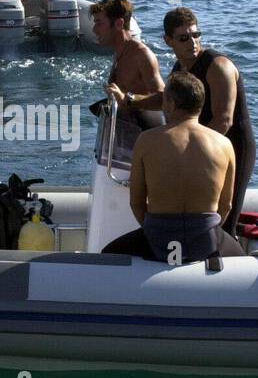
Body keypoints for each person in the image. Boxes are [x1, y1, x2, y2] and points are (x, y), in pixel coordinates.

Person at [107, 7, 256, 238]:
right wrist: (130, 99)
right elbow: (167, 100)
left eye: (196, 35)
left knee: (224, 220)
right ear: (168, 41)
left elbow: (224, 120)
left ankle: (228, 256)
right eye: (184, 38)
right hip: (201, 144)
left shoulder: (218, 66)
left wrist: (192, 154)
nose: (193, 43)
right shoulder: (180, 68)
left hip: (230, 147)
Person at [102, 72, 244, 263]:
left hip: (158, 235)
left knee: (107, 255)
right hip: (205, 238)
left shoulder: (147, 140)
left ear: (171, 104)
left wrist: (155, 231)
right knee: (244, 262)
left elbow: (136, 203)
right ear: (201, 104)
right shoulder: (224, 144)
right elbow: (225, 206)